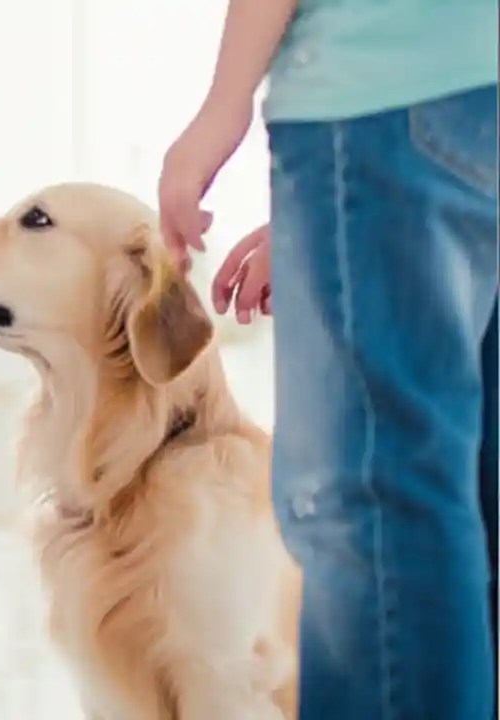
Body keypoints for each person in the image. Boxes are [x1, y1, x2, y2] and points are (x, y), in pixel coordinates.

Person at [157, 0, 498, 717]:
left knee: (376, 507)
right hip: (466, 104)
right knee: (471, 500)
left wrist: (223, 106)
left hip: (383, 92)